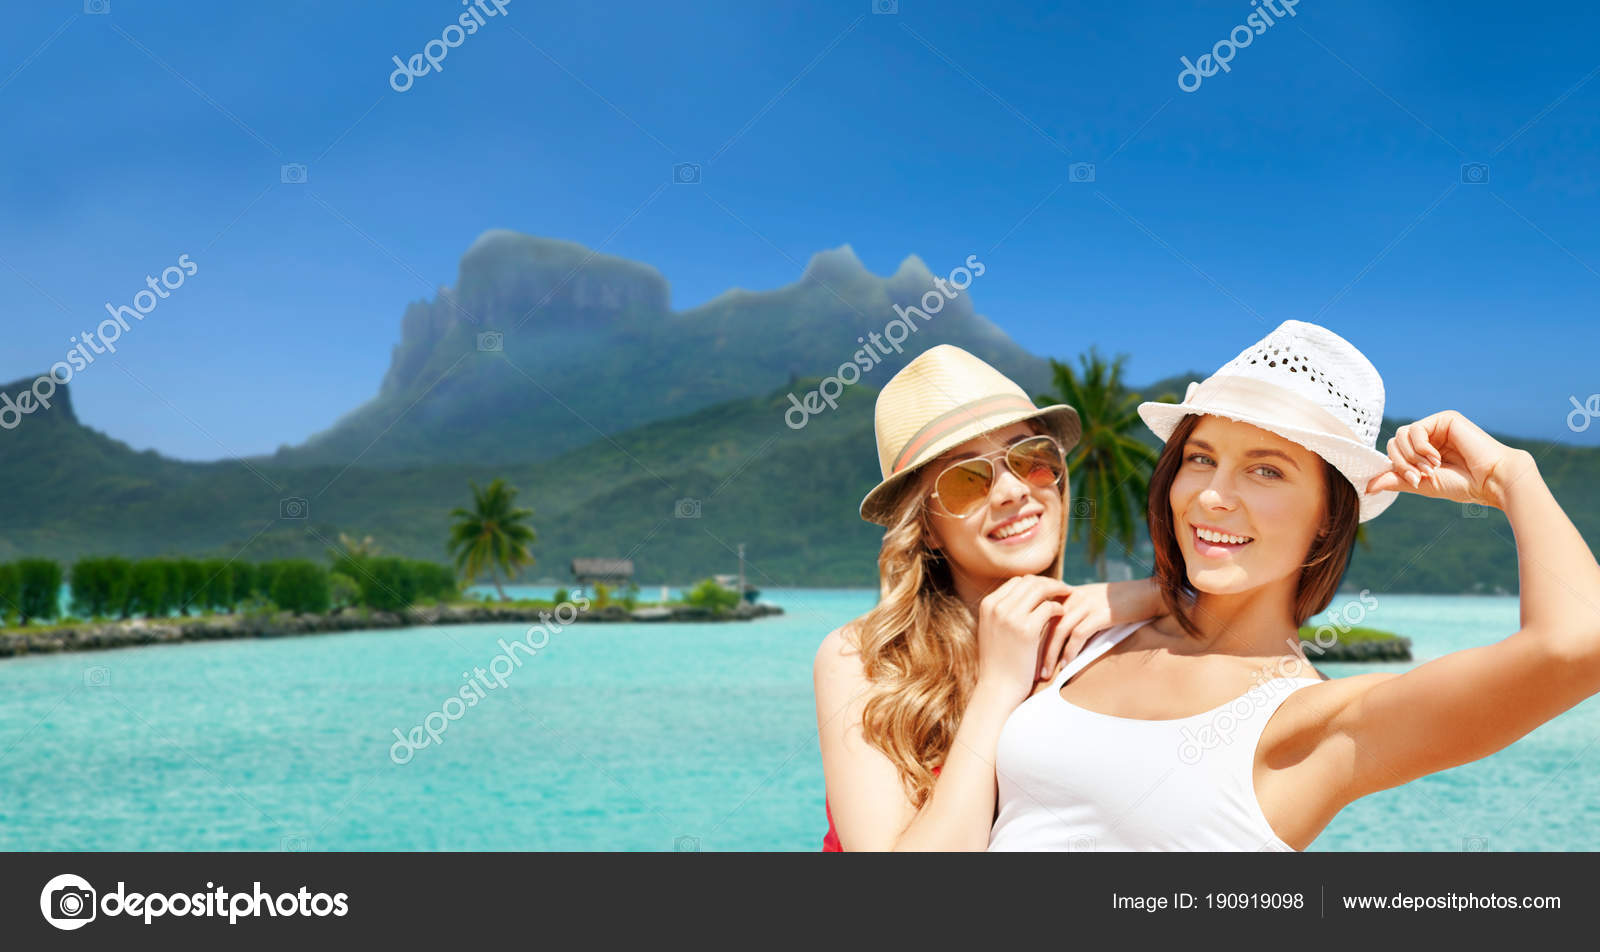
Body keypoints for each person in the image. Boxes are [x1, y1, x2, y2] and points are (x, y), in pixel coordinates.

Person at [988, 320, 1600, 851]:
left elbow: (1578, 645)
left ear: (1328, 517)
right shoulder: (1092, 632)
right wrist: (1152, 594)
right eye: (1200, 458)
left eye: (1265, 470)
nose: (1211, 495)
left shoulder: (1316, 725)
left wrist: (1511, 478)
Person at [814, 344, 1163, 851]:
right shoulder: (863, 660)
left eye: (1031, 459)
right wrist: (998, 686)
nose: (1012, 491)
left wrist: (1158, 595)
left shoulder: (1109, 632)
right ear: (928, 529)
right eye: (966, 480)